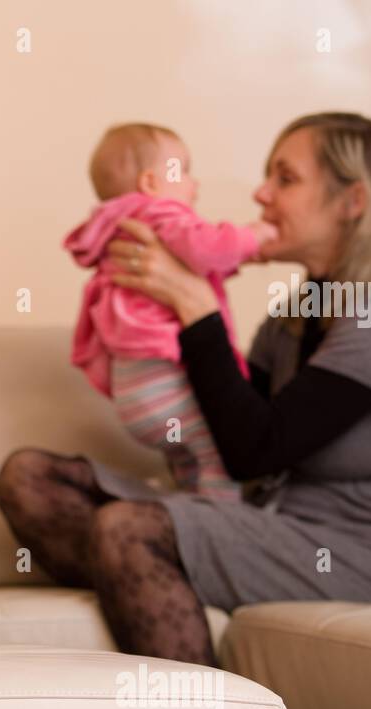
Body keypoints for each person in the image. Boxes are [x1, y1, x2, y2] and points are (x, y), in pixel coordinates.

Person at [0, 112, 371, 667]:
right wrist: (148, 324)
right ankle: (160, 577)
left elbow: (254, 450)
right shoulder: (295, 317)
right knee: (30, 480)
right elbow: (230, 426)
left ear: (353, 201)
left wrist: (195, 306)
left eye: (285, 179)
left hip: (369, 554)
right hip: (269, 520)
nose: (261, 193)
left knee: (125, 529)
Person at [63, 122, 277, 500]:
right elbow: (205, 248)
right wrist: (251, 239)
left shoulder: (118, 226)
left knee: (186, 456)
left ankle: (182, 510)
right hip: (166, 384)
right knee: (214, 448)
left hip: (134, 395)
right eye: (185, 170)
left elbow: (187, 264)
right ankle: (220, 521)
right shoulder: (160, 212)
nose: (195, 183)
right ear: (150, 182)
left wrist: (235, 263)